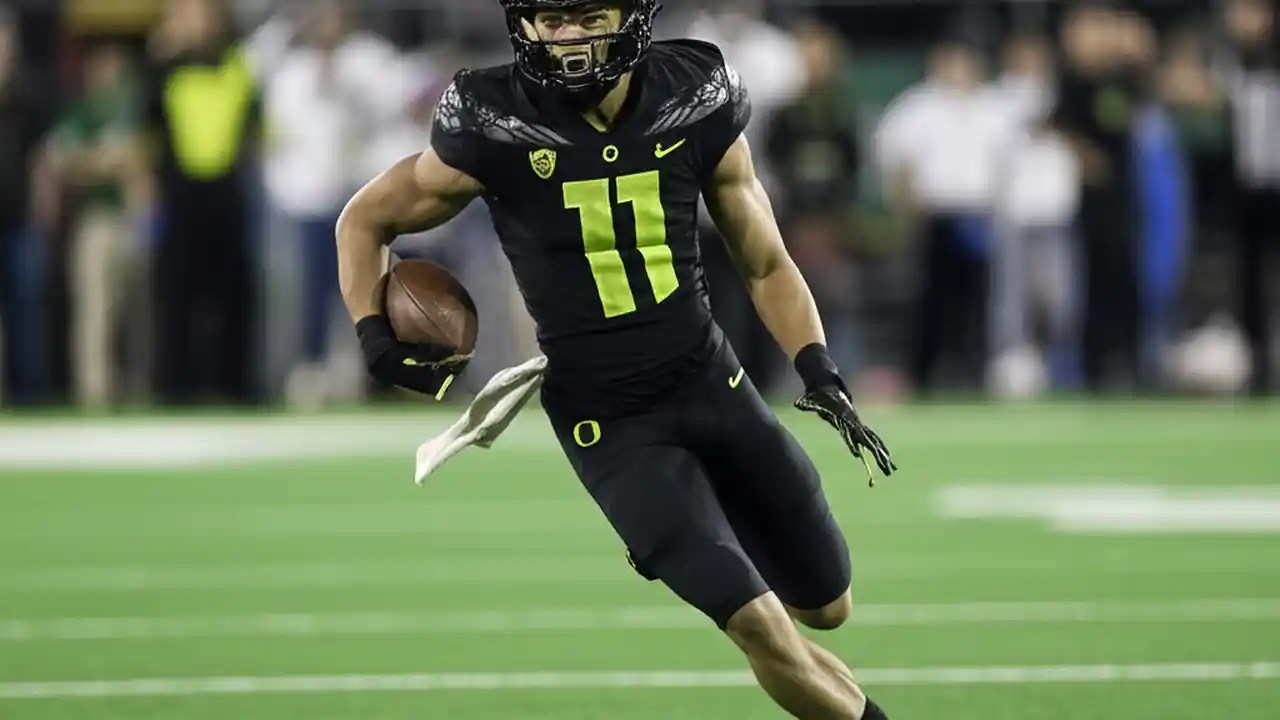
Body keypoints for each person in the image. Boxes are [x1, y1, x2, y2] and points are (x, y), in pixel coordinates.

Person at [336, 2, 896, 719]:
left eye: (587, 14)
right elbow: (365, 219)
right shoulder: (494, 119)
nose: (567, 36)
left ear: (632, 15)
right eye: (549, 18)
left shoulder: (693, 96)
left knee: (827, 607)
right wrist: (375, 340)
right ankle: (674, 527)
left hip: (709, 379)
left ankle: (684, 530)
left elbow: (764, 261)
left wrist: (818, 369)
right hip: (612, 422)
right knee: (759, 624)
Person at [145, 0, 261, 405]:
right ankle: (175, 389)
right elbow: (148, 132)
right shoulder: (162, 71)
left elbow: (255, 127)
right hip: (179, 195)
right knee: (176, 296)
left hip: (227, 195)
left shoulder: (238, 65)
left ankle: (235, 387)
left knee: (234, 296)